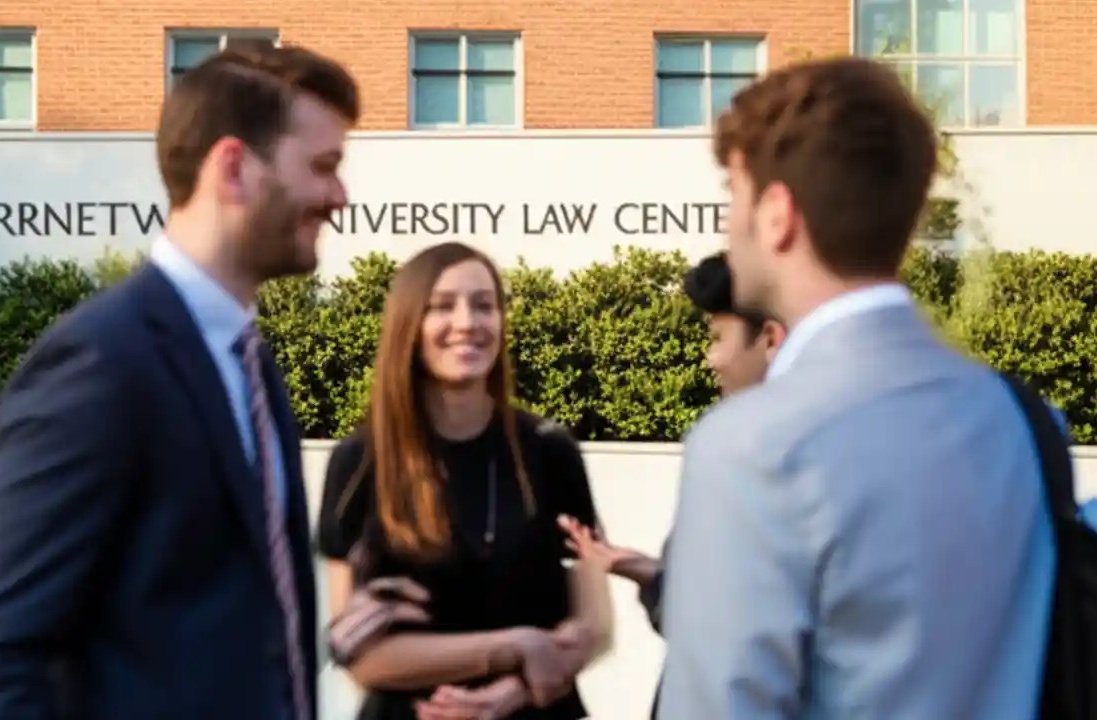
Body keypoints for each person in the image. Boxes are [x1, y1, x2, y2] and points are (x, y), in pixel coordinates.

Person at [0, 44, 359, 720]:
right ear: (234, 167)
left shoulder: (252, 365)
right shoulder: (101, 360)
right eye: (323, 167)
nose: (339, 196)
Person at [656, 56, 1056, 719]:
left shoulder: (751, 446)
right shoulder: (1025, 422)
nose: (728, 228)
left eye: (734, 194)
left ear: (778, 214)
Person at [316, 241, 615, 720]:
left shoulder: (550, 450)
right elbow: (362, 657)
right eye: (441, 306)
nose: (467, 322)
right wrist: (515, 646)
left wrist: (515, 691)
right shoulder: (358, 463)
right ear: (408, 326)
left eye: (484, 305)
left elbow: (596, 624)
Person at [561, 251, 786, 631]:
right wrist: (644, 570)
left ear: (769, 340)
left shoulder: (759, 460)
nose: (710, 359)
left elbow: (729, 627)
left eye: (717, 338)